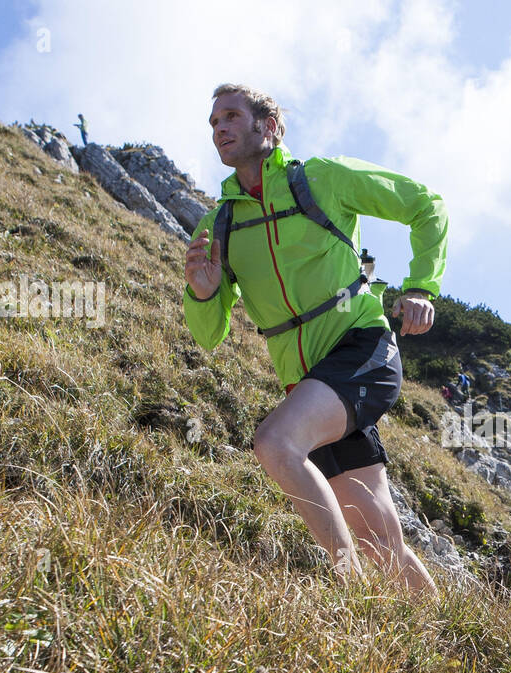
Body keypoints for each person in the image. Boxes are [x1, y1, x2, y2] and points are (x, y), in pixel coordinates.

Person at [184, 83, 447, 596]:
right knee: (379, 540)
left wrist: (421, 287)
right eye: (214, 122)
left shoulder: (321, 179)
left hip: (361, 346)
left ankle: (346, 591)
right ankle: (445, 638)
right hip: (306, 382)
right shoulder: (218, 224)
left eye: (232, 116)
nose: (220, 128)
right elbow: (208, 334)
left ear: (271, 127)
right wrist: (203, 293)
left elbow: (426, 205)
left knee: (276, 443)